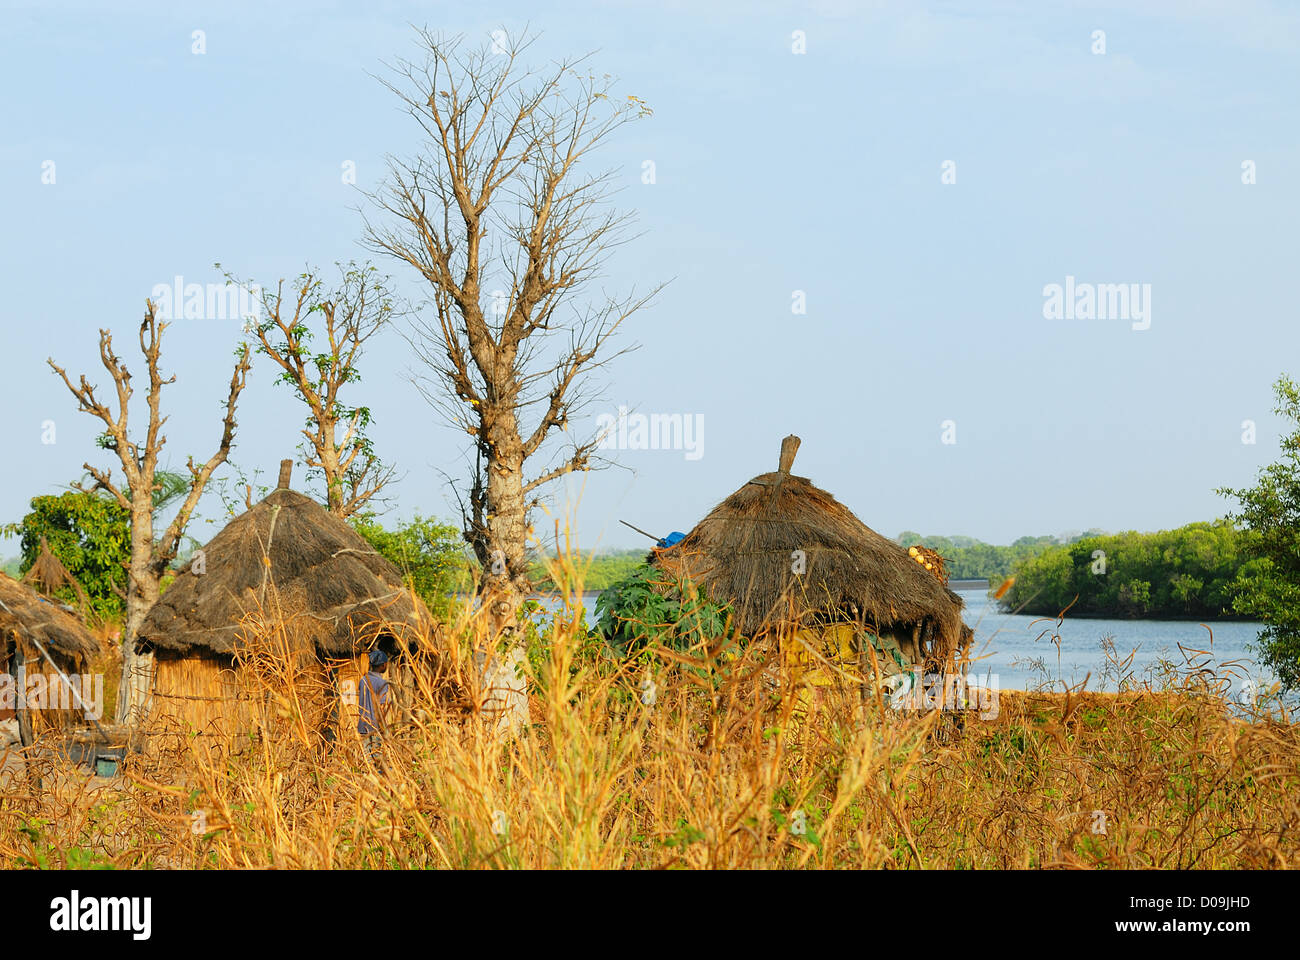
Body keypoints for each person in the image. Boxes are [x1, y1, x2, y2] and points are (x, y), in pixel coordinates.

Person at [357, 649, 391, 770]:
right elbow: (381, 707)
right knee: (377, 758)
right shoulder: (382, 683)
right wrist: (384, 727)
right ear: (383, 665)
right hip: (375, 725)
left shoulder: (363, 680)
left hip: (362, 724)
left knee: (366, 759)